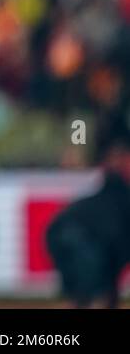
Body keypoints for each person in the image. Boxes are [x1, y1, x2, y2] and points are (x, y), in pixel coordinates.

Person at [45, 126, 130, 308]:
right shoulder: (120, 197)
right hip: (79, 236)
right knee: (94, 295)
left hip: (58, 231)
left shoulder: (115, 190)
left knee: (83, 296)